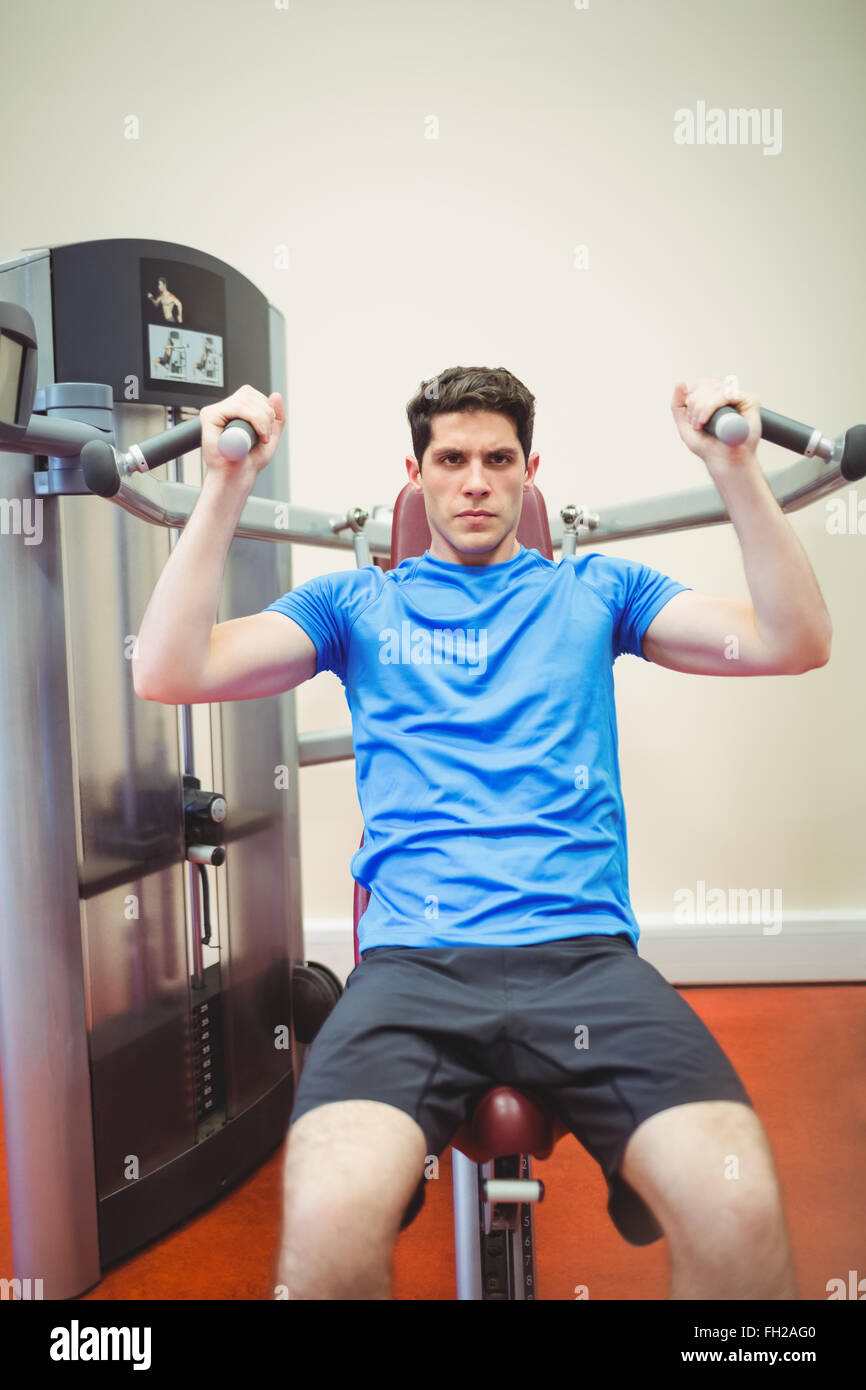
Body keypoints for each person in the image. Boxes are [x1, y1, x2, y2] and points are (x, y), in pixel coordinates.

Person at [133, 366, 832, 1301]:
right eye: (451, 459)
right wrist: (227, 485)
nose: (474, 481)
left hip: (586, 961)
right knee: (328, 1215)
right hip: (413, 972)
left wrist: (732, 464)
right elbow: (170, 669)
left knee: (734, 1205)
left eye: (498, 460)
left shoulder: (599, 591)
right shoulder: (357, 608)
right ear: (416, 474)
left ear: (529, 472)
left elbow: (794, 641)